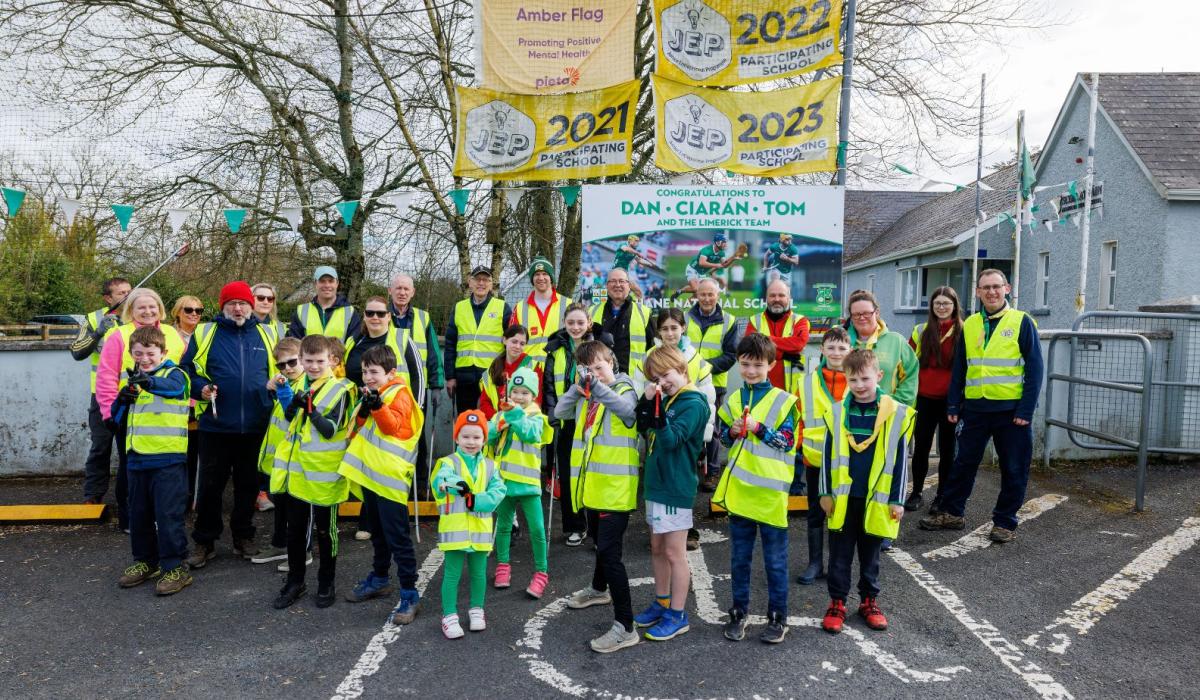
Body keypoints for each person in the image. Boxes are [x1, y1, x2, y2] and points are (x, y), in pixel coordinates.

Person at [919, 270, 1043, 543]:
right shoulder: (972, 324)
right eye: (985, 287)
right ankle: (952, 513)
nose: (991, 292)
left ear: (1007, 288)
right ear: (977, 292)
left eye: (996, 286)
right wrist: (954, 404)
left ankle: (1005, 522)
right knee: (963, 464)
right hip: (975, 409)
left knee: (1014, 468)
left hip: (1011, 412)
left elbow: (1035, 369)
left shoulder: (1022, 322)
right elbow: (960, 368)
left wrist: (1026, 410)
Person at [818, 349, 914, 634]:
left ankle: (869, 602)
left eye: (865, 379)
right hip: (843, 500)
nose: (859, 385)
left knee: (871, 556)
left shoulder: (894, 414)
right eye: (853, 380)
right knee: (839, 555)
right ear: (845, 379)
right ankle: (837, 603)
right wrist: (825, 492)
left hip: (877, 501)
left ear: (879, 376)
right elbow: (827, 456)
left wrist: (897, 499)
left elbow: (900, 460)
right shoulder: (837, 413)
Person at [182, 281, 276, 567]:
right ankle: (204, 541)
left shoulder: (268, 333)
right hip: (216, 425)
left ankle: (243, 536)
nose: (238, 308)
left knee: (248, 486)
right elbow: (187, 370)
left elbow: (285, 369)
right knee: (210, 488)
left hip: (256, 425)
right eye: (232, 303)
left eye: (243, 303)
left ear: (251, 306)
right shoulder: (205, 332)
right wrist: (200, 388)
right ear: (223, 306)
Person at [714, 333, 799, 644]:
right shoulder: (734, 399)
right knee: (740, 560)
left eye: (758, 365)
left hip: (771, 496)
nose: (751, 371)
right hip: (741, 493)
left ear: (771, 365)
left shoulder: (784, 400)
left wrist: (757, 428)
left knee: (775, 562)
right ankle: (739, 613)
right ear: (738, 363)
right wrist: (733, 431)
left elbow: (787, 442)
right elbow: (724, 439)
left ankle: (778, 618)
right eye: (745, 364)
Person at [558, 341, 641, 654]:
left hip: (615, 490)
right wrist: (577, 389)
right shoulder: (587, 393)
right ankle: (597, 589)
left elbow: (628, 413)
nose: (593, 374)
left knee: (609, 554)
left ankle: (625, 627)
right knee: (599, 545)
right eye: (587, 369)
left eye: (599, 367)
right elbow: (559, 412)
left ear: (612, 363)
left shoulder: (625, 388)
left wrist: (596, 387)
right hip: (592, 487)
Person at [339, 345, 425, 625]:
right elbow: (358, 426)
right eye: (365, 371)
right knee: (378, 532)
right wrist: (368, 405)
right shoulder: (377, 392)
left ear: (391, 372)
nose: (368, 377)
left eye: (373, 372)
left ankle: (410, 593)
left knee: (397, 538)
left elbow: (391, 427)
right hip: (373, 477)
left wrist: (375, 405)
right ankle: (379, 578)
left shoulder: (399, 394)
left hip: (390, 481)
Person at [270, 334, 356, 609]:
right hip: (297, 473)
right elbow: (288, 420)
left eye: (319, 361)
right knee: (295, 531)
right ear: (301, 359)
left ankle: (326, 582)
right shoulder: (298, 384)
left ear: (331, 360)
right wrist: (291, 402)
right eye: (308, 361)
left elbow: (330, 430)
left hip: (325, 475)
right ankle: (295, 582)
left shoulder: (342, 389)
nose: (314, 366)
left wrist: (311, 410)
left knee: (326, 533)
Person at [632, 345, 710, 642]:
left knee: (674, 552)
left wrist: (657, 412)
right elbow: (642, 428)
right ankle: (662, 601)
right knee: (657, 547)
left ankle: (677, 614)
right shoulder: (668, 398)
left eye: (666, 375)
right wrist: (647, 403)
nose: (662, 383)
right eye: (656, 378)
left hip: (675, 486)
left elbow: (670, 440)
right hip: (657, 482)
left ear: (682, 369)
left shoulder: (694, 403)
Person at [96, 288, 187, 532]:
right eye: (141, 307)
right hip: (130, 411)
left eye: (152, 306)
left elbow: (182, 370)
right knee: (130, 468)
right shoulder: (118, 335)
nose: (148, 311)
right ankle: (129, 519)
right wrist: (109, 412)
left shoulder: (171, 333)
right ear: (131, 310)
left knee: (163, 471)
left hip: (166, 415)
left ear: (160, 308)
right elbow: (106, 376)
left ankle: (158, 517)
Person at [113, 326, 194, 596]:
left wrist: (147, 382)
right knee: (139, 515)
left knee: (167, 516)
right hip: (137, 459)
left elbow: (174, 390)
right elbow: (114, 420)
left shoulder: (176, 374)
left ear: (163, 352)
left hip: (167, 460)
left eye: (150, 353)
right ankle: (146, 561)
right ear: (131, 354)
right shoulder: (133, 380)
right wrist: (121, 400)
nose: (144, 359)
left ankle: (175, 567)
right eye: (138, 354)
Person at [638, 308, 716, 551]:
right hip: (660, 427)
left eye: (674, 327)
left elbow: (708, 396)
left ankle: (686, 529)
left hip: (685, 427)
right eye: (664, 328)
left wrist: (704, 435)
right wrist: (646, 408)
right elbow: (643, 391)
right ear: (658, 332)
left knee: (682, 472)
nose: (670, 333)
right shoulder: (649, 356)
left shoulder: (695, 357)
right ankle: (666, 529)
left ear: (683, 328)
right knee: (661, 469)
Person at [543, 303, 614, 546]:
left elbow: (610, 379)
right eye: (571, 322)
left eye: (580, 322)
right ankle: (575, 526)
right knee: (567, 475)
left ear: (589, 324)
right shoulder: (554, 350)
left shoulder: (600, 347)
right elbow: (549, 385)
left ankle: (596, 530)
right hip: (566, 421)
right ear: (564, 323)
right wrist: (552, 412)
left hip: (592, 418)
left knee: (592, 474)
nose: (575, 327)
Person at [434, 410, 507, 639]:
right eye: (465, 436)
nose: (471, 442)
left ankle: (477, 609)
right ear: (456, 438)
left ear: (484, 439)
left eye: (477, 437)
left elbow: (498, 492)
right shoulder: (447, 462)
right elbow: (441, 479)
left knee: (478, 574)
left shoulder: (491, 466)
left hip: (480, 532)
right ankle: (449, 616)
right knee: (452, 574)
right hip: (454, 532)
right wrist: (457, 484)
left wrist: (474, 500)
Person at [487, 366, 552, 599]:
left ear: (533, 395)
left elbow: (530, 433)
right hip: (504, 482)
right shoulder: (502, 414)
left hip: (528, 485)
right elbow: (487, 435)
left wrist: (513, 415)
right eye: (515, 392)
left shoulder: (536, 417)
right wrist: (496, 426)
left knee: (537, 529)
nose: (519, 397)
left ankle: (541, 573)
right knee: (503, 526)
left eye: (525, 393)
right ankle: (503, 566)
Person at [796, 326, 850, 586]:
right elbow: (797, 416)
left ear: (850, 350)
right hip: (815, 458)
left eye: (841, 348)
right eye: (831, 347)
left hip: (847, 461)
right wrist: (800, 445)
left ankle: (837, 564)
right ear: (822, 350)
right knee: (816, 512)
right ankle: (815, 563)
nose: (836, 353)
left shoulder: (857, 379)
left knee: (841, 514)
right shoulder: (806, 382)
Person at [73, 276, 132, 507]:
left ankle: (129, 497)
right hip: (102, 396)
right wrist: (98, 332)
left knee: (130, 448)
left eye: (129, 291)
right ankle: (93, 495)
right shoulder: (92, 318)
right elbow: (77, 352)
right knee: (100, 446)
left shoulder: (138, 314)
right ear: (108, 298)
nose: (127, 296)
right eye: (121, 293)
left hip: (132, 394)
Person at [387, 273, 444, 500]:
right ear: (390, 291)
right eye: (398, 288)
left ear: (413, 293)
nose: (402, 292)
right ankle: (393, 481)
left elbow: (434, 353)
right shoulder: (380, 315)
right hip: (389, 390)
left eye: (406, 289)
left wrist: (436, 385)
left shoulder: (423, 317)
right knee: (391, 436)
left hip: (417, 389)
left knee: (417, 436)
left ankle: (419, 485)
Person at [907, 287, 962, 512]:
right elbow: (907, 362)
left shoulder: (964, 331)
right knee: (921, 447)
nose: (941, 307)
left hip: (951, 401)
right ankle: (916, 492)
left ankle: (941, 496)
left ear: (954, 306)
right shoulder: (921, 330)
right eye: (937, 303)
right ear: (931, 306)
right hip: (924, 399)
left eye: (946, 303)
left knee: (948, 450)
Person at [251, 337, 304, 569]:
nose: (287, 368)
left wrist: (279, 390)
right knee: (281, 505)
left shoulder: (304, 385)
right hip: (281, 460)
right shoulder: (287, 383)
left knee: (296, 509)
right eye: (281, 365)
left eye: (292, 362)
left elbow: (292, 415)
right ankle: (280, 543)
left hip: (295, 459)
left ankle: (301, 551)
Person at [686, 277, 739, 492]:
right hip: (687, 383)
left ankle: (713, 472)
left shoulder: (729, 320)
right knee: (689, 427)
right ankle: (690, 468)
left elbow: (731, 356)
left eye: (711, 294)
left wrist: (703, 368)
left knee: (713, 430)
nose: (706, 298)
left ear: (718, 295)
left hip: (714, 384)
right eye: (702, 294)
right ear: (696, 295)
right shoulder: (685, 318)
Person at [444, 266, 513, 416]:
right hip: (464, 377)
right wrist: (450, 377)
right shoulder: (459, 308)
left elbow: (510, 343)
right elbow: (450, 344)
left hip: (492, 376)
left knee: (491, 422)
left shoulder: (503, 308)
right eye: (477, 279)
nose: (481, 283)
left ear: (491, 284)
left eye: (485, 280)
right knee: (466, 421)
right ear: (470, 282)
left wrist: (506, 371)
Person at [845, 289, 919, 406]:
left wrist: (892, 405)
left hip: (890, 411)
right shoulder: (842, 344)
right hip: (851, 412)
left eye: (867, 313)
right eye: (856, 314)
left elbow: (911, 377)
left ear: (877, 312)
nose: (862, 317)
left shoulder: (896, 341)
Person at [343, 297, 423, 393]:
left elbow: (417, 377)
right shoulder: (353, 341)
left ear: (388, 316)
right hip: (354, 401)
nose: (375, 317)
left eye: (380, 314)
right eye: (370, 313)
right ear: (364, 316)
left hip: (392, 401)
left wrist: (417, 403)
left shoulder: (402, 339)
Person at [590, 268, 654, 386]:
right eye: (613, 281)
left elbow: (652, 350)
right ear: (607, 286)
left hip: (634, 384)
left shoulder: (644, 313)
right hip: (599, 383)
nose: (617, 285)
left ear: (629, 286)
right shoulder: (592, 312)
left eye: (621, 281)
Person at [170, 295, 205, 508]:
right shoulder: (168, 335)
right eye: (188, 310)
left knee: (194, 451)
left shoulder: (204, 335)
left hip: (196, 402)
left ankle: (191, 494)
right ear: (177, 312)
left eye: (198, 311)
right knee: (177, 452)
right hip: (174, 400)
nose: (194, 314)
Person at [479, 324, 543, 419]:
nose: (517, 346)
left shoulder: (533, 366)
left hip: (522, 422)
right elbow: (484, 402)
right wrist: (499, 420)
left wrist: (515, 421)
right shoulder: (493, 368)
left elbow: (536, 401)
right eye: (514, 341)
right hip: (496, 423)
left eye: (522, 344)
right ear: (504, 340)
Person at [511, 256, 565, 362]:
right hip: (528, 369)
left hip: (558, 368)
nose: (541, 278)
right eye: (537, 274)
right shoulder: (520, 308)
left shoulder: (568, 305)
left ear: (551, 277)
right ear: (532, 279)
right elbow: (512, 342)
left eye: (545, 274)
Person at [288, 265, 362, 341]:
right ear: (315, 284)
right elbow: (294, 344)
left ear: (337, 283)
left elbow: (355, 343)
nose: (327, 285)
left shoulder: (350, 312)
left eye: (331, 281)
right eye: (322, 281)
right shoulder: (301, 311)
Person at [670, 231, 735, 302]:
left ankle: (681, 302)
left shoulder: (722, 253)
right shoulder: (706, 250)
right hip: (693, 269)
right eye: (724, 242)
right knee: (696, 289)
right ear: (718, 242)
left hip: (702, 273)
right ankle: (680, 292)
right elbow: (702, 263)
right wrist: (716, 265)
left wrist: (733, 258)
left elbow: (724, 265)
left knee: (699, 293)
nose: (725, 244)